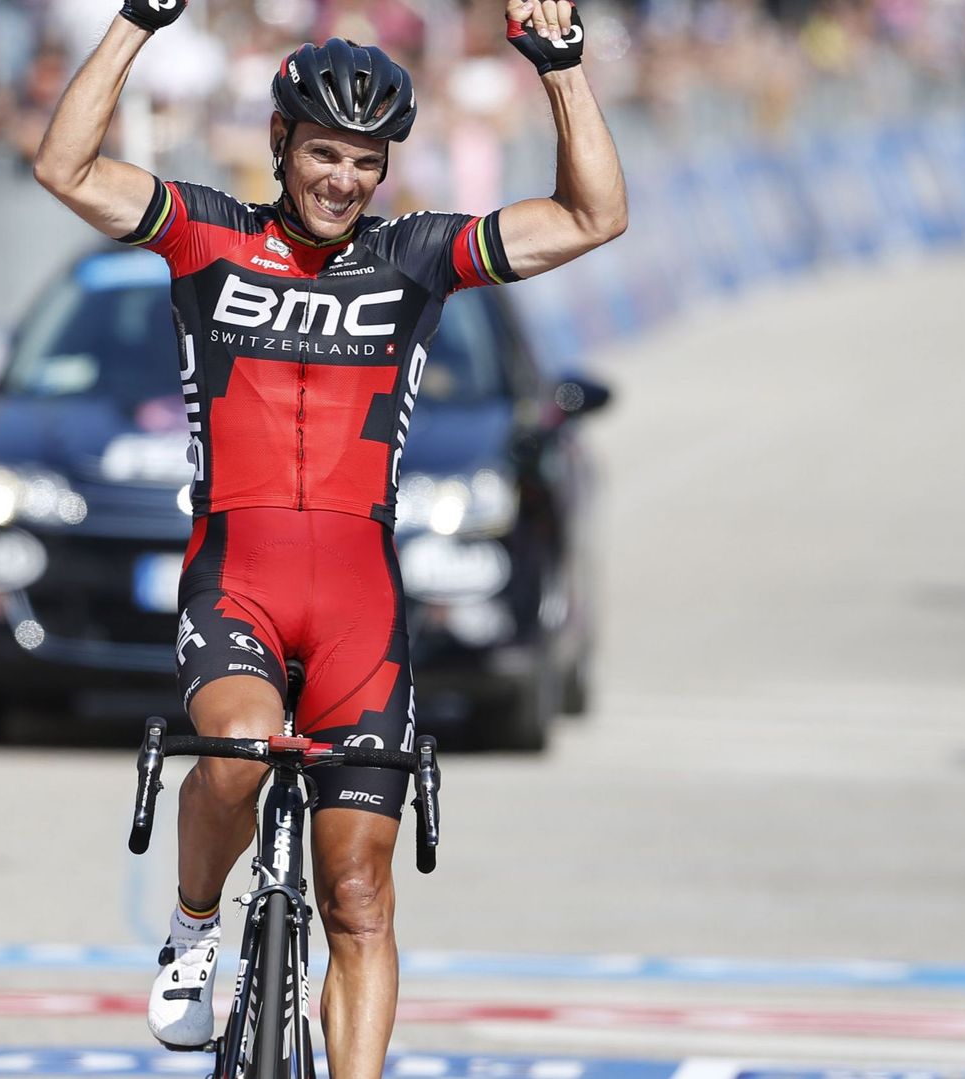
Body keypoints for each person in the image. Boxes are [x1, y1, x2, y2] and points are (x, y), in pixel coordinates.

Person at [32, 0, 625, 1072]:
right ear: (279, 145)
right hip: (238, 582)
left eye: (364, 160)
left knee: (359, 894)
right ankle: (197, 920)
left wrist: (562, 66)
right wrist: (136, 24)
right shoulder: (207, 237)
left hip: (362, 605)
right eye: (322, 154)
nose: (343, 179)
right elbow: (67, 168)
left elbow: (593, 216)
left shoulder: (416, 258)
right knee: (240, 755)